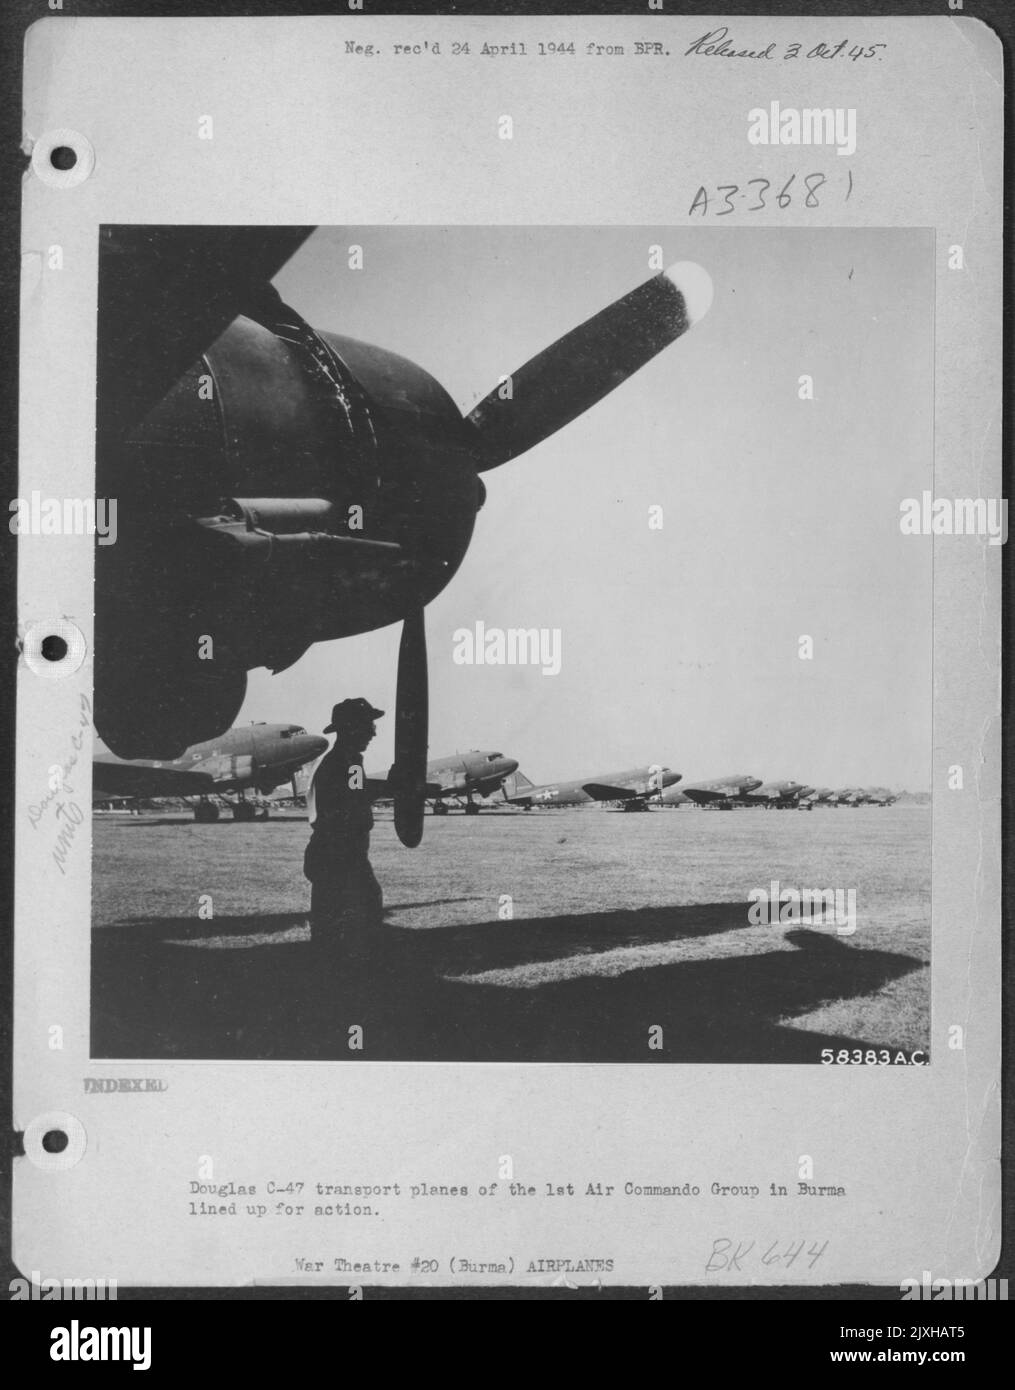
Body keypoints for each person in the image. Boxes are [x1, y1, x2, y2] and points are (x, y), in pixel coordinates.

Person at [303, 698, 385, 972]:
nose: (373, 732)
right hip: (339, 851)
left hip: (337, 851)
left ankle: (335, 971)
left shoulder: (347, 761)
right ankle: (340, 974)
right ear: (352, 728)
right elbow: (353, 799)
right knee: (353, 909)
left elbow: (357, 792)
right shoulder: (345, 763)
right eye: (368, 725)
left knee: (339, 913)